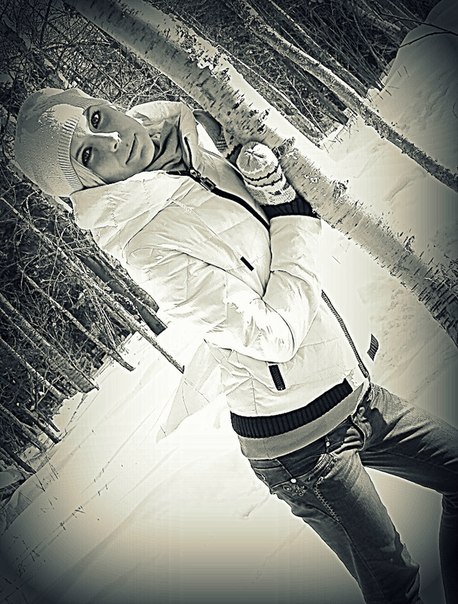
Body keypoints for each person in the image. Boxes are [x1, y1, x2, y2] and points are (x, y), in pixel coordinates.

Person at [14, 87, 458, 604]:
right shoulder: (146, 246)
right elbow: (274, 334)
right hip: (300, 445)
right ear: (86, 185)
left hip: (352, 388)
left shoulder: (194, 142)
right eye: (88, 155)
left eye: (96, 117)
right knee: (397, 587)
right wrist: (291, 213)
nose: (113, 138)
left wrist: (253, 165)